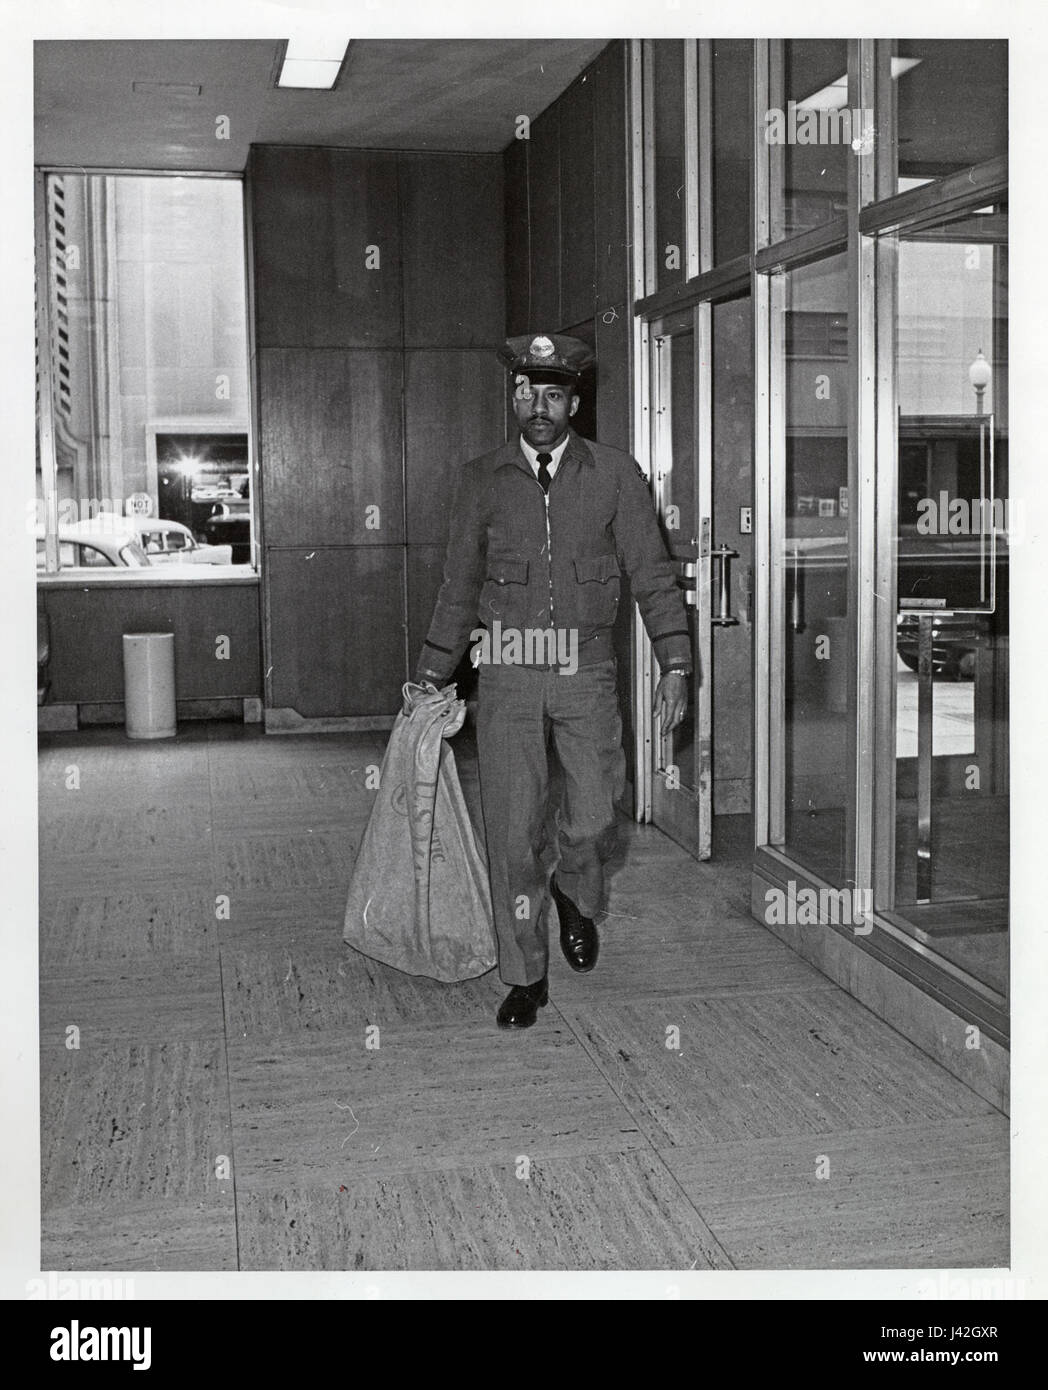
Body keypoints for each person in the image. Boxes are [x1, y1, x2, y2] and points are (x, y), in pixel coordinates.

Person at [414, 333, 692, 1029]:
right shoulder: (481, 480)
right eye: (526, 392)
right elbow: (459, 585)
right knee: (511, 831)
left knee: (597, 814)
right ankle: (525, 974)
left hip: (584, 669)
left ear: (575, 400)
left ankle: (574, 890)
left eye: (554, 393)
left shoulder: (615, 476)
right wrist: (430, 672)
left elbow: (654, 575)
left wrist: (676, 660)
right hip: (506, 671)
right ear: (513, 396)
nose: (539, 407)